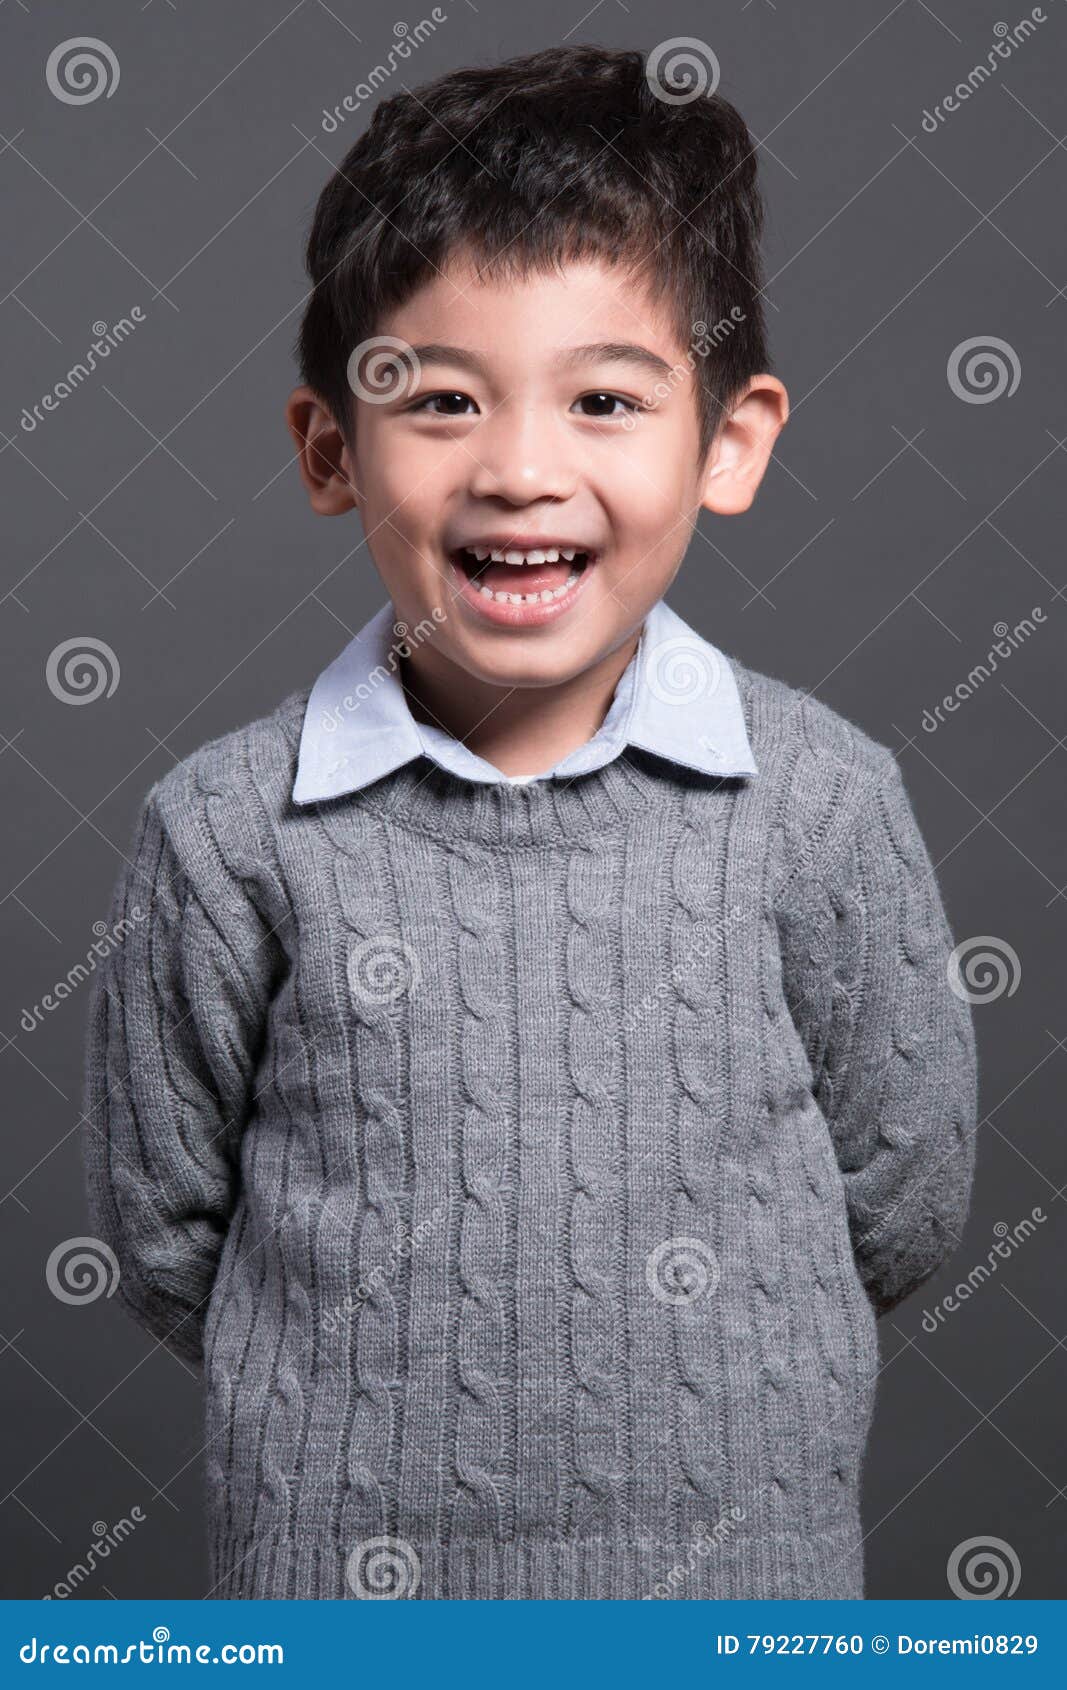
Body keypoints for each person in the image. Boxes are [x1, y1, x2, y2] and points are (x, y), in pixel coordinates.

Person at [81, 43, 977, 1601]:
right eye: (439, 400)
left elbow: (901, 1197)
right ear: (329, 449)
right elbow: (169, 1233)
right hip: (342, 1599)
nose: (518, 469)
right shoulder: (224, 829)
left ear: (730, 441)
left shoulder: (823, 801)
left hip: (733, 1594)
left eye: (605, 399)